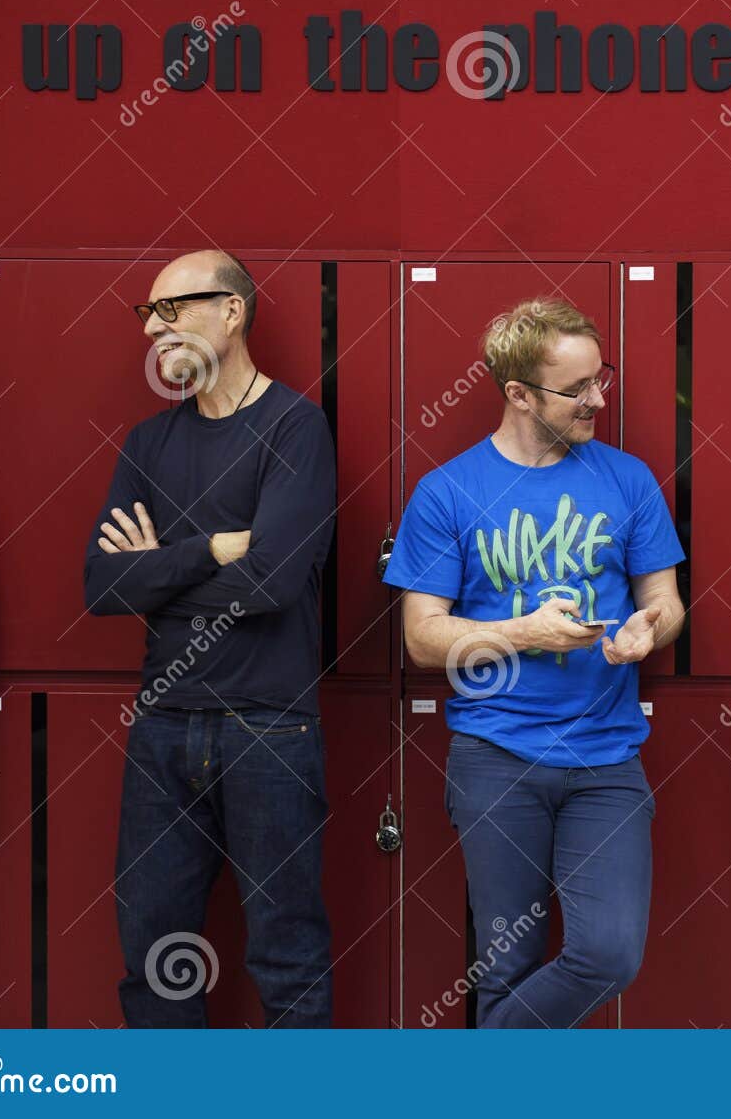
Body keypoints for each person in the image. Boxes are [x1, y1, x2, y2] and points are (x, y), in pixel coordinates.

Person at [383, 297, 686, 1028]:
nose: (599, 400)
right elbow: (421, 640)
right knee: (504, 963)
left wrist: (650, 631)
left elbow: (666, 603)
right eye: (577, 389)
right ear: (517, 392)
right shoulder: (448, 491)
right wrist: (523, 633)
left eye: (600, 379)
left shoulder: (628, 480)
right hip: (495, 755)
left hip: (606, 759)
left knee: (610, 953)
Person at [83, 250, 336, 1027]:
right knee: (153, 953)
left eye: (174, 308)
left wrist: (158, 572)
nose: (156, 328)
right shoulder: (148, 443)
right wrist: (212, 549)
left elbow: (272, 583)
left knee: (286, 952)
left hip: (268, 728)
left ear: (232, 311)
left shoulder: (296, 426)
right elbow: (100, 587)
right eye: (148, 314)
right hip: (163, 725)